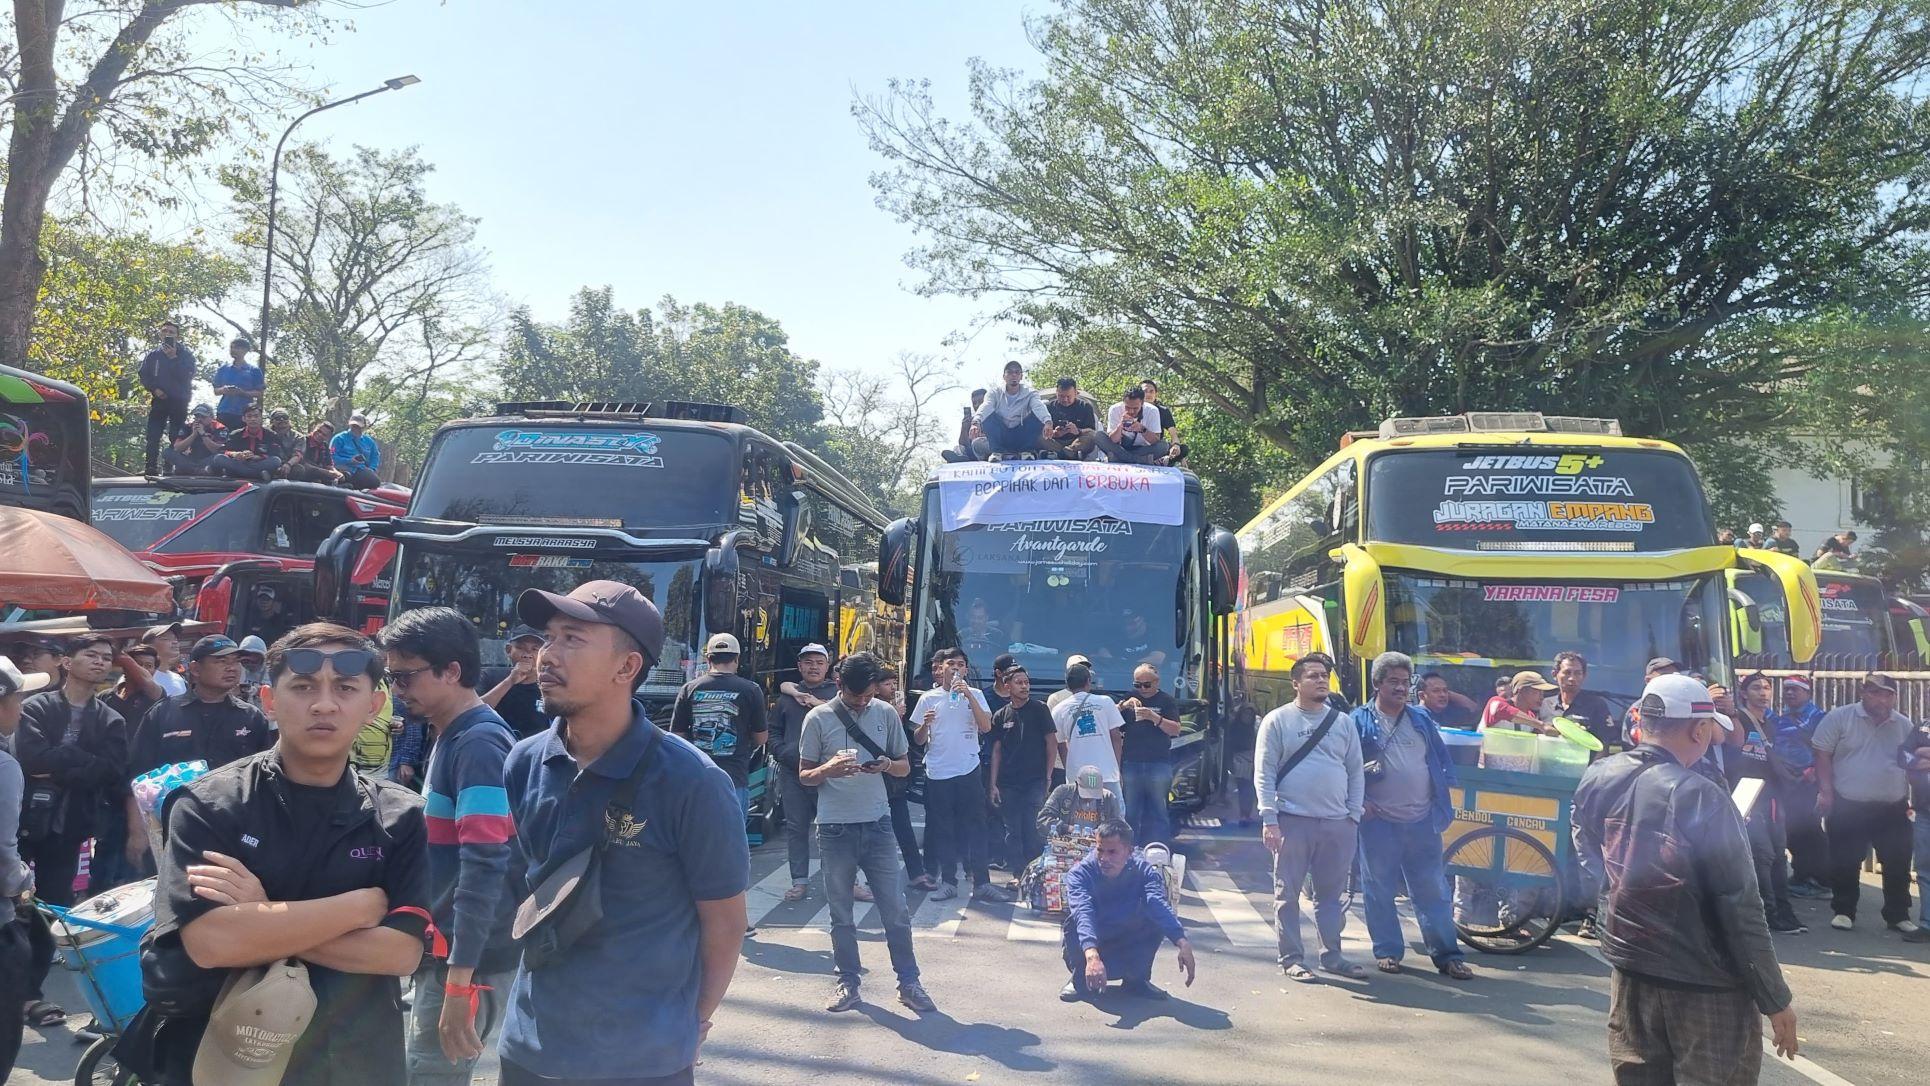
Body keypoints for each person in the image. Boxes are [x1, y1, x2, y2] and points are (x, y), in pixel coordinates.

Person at [138, 623, 431, 1086]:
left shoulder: (401, 817)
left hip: (355, 1059)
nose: (324, 704)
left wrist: (260, 907)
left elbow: (400, 954)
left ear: (374, 705)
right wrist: (356, 908)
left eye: (346, 688)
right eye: (303, 686)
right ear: (269, 700)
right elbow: (212, 943)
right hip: (229, 1055)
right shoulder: (211, 805)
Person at [502, 580, 749, 1084]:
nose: (547, 655)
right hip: (529, 1049)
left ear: (626, 667)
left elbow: (724, 924)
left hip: (643, 1061)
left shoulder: (693, 782)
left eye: (572, 638)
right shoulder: (524, 761)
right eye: (548, 637)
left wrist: (691, 1021)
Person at [1572, 673, 1798, 1084]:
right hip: (1704, 984)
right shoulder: (1703, 795)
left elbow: (1591, 858)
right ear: (1699, 729)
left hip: (1630, 970)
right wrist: (1775, 998)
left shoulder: (1598, 776)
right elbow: (1741, 906)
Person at [378, 608, 520, 1086]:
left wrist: (460, 979)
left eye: (405, 676)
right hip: (449, 951)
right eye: (391, 676)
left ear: (452, 671)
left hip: (467, 960)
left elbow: (486, 863)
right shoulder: (453, 735)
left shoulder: (478, 743)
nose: (397, 689)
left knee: (431, 1075)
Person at [798, 652, 933, 1014]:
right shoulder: (818, 718)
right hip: (834, 827)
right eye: (856, 696)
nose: (862, 702)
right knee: (841, 913)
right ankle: (848, 982)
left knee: (895, 910)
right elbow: (804, 774)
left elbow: (905, 767)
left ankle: (909, 982)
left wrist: (887, 765)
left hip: (878, 824)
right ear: (839, 685)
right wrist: (828, 769)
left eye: (868, 695)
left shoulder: (886, 713)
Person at [1352, 652, 1472, 979]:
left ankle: (1448, 956)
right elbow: (1346, 768)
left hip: (1422, 821)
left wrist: (1442, 795)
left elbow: (1441, 759)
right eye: (1393, 682)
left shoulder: (1421, 720)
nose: (1401, 688)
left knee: (1432, 890)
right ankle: (1388, 952)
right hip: (1379, 823)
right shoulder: (1357, 721)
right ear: (1377, 684)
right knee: (1379, 889)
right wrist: (1361, 801)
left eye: (1406, 682)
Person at [1256, 652, 1366, 982]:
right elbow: (1264, 773)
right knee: (1287, 895)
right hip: (1292, 820)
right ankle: (1291, 957)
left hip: (1337, 824)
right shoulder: (1277, 721)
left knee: (1330, 897)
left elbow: (1355, 771)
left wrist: (1353, 816)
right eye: (1313, 676)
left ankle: (1332, 956)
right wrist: (1269, 819)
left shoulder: (1342, 723)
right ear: (1296, 683)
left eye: (1324, 676)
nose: (1321, 681)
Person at [16, 637, 130, 914]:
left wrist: (56, 764)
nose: (100, 661)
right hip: (23, 818)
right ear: (67, 662)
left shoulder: (112, 720)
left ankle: (43, 957)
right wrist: (84, 759)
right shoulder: (36, 707)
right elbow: (31, 760)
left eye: (105, 657)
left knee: (55, 902)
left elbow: (110, 772)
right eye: (91, 655)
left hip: (73, 823)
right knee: (10, 898)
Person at [1812, 672, 1919, 935]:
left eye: (1887, 694)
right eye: (1874, 692)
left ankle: (1898, 914)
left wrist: (1913, 800)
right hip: (1849, 802)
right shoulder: (1840, 717)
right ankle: (1844, 911)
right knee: (1845, 860)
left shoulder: (1903, 725)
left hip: (1892, 805)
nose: (1881, 699)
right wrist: (1825, 791)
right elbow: (1821, 754)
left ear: (1894, 697)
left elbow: (1911, 764)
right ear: (1863, 693)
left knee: (1898, 862)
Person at [912, 647, 1011, 903]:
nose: (955, 669)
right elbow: (919, 739)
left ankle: (982, 882)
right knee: (944, 828)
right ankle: (948, 882)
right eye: (950, 664)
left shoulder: (976, 694)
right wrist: (926, 724)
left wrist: (968, 696)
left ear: (966, 669)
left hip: (968, 768)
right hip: (938, 770)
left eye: (960, 664)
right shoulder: (929, 698)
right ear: (941, 668)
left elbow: (986, 727)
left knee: (977, 826)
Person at [1059, 819, 1196, 1002]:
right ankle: (1079, 980)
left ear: (1129, 852)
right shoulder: (1080, 874)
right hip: (1093, 940)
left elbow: (1157, 904)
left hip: (1126, 935)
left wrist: (1182, 942)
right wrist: (1092, 955)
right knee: (1074, 922)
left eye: (1112, 852)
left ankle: (1136, 980)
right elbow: (1083, 912)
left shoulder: (1144, 872)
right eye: (1100, 850)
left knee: (1153, 919)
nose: (1104, 859)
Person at [1, 656, 56, 1047]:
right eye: (18, 699)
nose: (22, 708)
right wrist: (24, 881)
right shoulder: (4, 767)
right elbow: (3, 857)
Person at [128, 635, 276, 780]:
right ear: (195, 669)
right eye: (221, 661)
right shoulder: (163, 714)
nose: (232, 668)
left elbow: (265, 775)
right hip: (175, 803)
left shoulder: (252, 718)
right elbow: (137, 777)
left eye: (236, 661)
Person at [1731, 672, 1806, 934]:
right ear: (1743, 694)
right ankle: (1768, 914)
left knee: (1777, 855)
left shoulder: (1770, 724)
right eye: (1755, 688)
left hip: (1771, 796)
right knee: (1761, 855)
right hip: (1747, 795)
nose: (1763, 693)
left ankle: (1784, 912)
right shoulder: (1738, 719)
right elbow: (1734, 744)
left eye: (1766, 688)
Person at [670, 632, 769, 821]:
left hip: (696, 777)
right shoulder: (751, 690)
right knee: (732, 840)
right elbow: (761, 738)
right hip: (734, 778)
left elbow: (677, 737)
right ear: (737, 658)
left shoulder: (689, 688)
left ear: (708, 659)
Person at [771, 643, 834, 903]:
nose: (814, 667)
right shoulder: (788, 697)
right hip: (792, 773)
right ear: (799, 666)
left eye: (819, 662)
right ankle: (799, 881)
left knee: (834, 828)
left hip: (829, 773)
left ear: (827, 666)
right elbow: (772, 732)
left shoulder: (838, 695)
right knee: (797, 828)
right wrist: (783, 753)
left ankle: (846, 881)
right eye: (808, 662)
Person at [991, 664, 1056, 884]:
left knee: (1033, 828)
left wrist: (1048, 777)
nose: (1024, 686)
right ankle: (1018, 874)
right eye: (1019, 683)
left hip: (1035, 781)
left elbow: (1051, 743)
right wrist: (993, 784)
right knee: (1012, 831)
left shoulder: (1040, 709)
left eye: (1026, 682)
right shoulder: (1001, 715)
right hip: (1008, 783)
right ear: (1007, 686)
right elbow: (996, 751)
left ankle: (1035, 874)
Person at [1771, 676, 1829, 898]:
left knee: (1808, 830)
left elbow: (1828, 747)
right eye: (1786, 689)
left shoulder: (1819, 718)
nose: (1790, 693)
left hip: (1808, 782)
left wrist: (1815, 770)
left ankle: (1819, 879)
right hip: (1787, 782)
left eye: (1795, 689)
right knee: (1793, 829)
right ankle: (1804, 875)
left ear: (1808, 692)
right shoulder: (1781, 718)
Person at [875, 664, 931, 890]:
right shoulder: (869, 709)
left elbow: (903, 743)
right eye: (887, 684)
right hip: (872, 777)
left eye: (892, 684)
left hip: (894, 776)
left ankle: (916, 873)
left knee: (903, 825)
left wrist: (899, 717)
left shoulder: (893, 709)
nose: (891, 688)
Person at [1116, 664, 1181, 848]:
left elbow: (1176, 729)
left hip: (1158, 763)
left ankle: (1159, 849)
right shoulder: (1130, 698)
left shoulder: (1166, 701)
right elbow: (1109, 719)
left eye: (1146, 685)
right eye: (1138, 685)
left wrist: (1154, 717)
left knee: (1159, 810)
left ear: (1156, 682)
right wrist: (1122, 706)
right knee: (1130, 812)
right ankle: (1129, 851)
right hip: (1132, 762)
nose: (1142, 689)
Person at [1053, 662, 1125, 791]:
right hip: (1107, 773)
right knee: (1113, 810)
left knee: (1082, 811)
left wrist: (1070, 769)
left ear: (1067, 685)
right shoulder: (1106, 702)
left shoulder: (1059, 709)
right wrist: (1116, 768)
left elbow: (1060, 744)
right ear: (1088, 681)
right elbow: (1116, 737)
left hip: (1077, 776)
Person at [139, 319, 197, 476]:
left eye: (171, 332)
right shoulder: (153, 355)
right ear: (160, 334)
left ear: (177, 336)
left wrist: (173, 358)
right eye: (164, 331)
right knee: (153, 434)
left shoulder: (185, 355)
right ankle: (150, 466)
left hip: (179, 401)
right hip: (159, 400)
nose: (167, 334)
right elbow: (144, 375)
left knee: (175, 434)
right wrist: (154, 389)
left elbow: (188, 375)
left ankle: (169, 466)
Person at [478, 625, 550, 740]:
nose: (527, 654)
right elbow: (473, 714)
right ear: (508, 650)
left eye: (534, 649)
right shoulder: (489, 676)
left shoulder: (550, 685)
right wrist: (510, 681)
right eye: (521, 648)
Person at [971, 360, 1051, 462]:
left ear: (1021, 376)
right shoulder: (994, 393)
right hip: (1001, 437)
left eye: (1017, 372)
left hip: (1022, 436)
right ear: (1004, 376)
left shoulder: (1030, 393)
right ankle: (997, 452)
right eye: (1010, 372)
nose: (1013, 375)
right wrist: (975, 422)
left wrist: (1048, 422)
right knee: (979, 438)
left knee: (1041, 409)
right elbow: (986, 406)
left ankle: (1026, 452)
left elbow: (1038, 406)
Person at [1542, 652, 1615, 750]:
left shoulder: (1597, 706)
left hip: (1584, 764)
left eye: (1578, 673)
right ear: (1555, 674)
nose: (1572, 678)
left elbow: (1604, 746)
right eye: (1567, 672)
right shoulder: (1544, 704)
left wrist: (1595, 765)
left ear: (1584, 676)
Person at [1038, 765, 1126, 840]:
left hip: (1098, 846)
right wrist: (1067, 828)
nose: (1089, 797)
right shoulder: (1063, 792)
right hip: (1066, 844)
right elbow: (1042, 820)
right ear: (1077, 784)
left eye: (1094, 793)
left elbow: (1120, 827)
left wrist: (1102, 832)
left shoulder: (1108, 797)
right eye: (1086, 793)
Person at [1903, 715, 1930, 943]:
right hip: (1925, 810)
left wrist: (1923, 752)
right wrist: (1918, 756)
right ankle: (1927, 924)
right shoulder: (1922, 726)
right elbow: (1902, 756)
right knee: (1924, 871)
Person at [208, 404, 285, 481]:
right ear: (243, 419)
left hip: (259, 464)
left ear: (261, 418)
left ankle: (240, 474)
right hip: (240, 463)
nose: (253, 419)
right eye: (249, 416)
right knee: (219, 458)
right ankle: (257, 475)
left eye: (256, 416)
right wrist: (235, 454)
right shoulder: (235, 434)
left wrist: (256, 457)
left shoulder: (270, 435)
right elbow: (223, 450)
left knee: (276, 460)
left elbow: (275, 454)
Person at [1096, 385, 1170, 465]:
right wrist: (1120, 426)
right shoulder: (1115, 409)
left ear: (1142, 403)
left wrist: (1142, 429)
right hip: (1120, 447)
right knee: (1099, 436)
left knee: (1163, 446)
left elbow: (1155, 440)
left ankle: (1119, 459)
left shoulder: (1152, 411)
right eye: (1127, 407)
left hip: (1141, 448)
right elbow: (1113, 440)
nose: (1131, 411)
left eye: (1135, 408)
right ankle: (1141, 460)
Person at [1620, 657, 1680, 746]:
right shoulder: (1636, 710)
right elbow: (1633, 745)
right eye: (1665, 676)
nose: (1670, 680)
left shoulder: (1685, 704)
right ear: (1648, 680)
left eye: (1674, 676)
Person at [1481, 670, 1560, 734]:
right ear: (1521, 691)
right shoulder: (1496, 703)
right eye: (1537, 692)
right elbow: (1506, 711)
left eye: (1542, 693)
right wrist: (1542, 725)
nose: (1541, 697)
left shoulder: (1532, 717)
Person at [212, 336, 265, 431]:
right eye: (231, 347)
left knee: (240, 441)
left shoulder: (254, 370)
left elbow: (259, 393)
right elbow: (216, 391)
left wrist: (242, 392)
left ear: (245, 350)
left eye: (236, 347)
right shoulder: (223, 369)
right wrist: (224, 390)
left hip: (244, 413)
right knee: (221, 440)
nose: (233, 350)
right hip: (224, 411)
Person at [162, 403, 227, 475]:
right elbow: (177, 448)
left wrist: (203, 434)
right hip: (191, 459)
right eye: (197, 416)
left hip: (209, 459)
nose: (199, 419)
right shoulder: (188, 426)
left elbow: (217, 450)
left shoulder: (220, 427)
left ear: (211, 417)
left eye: (203, 417)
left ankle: (191, 470)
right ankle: (197, 470)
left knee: (221, 456)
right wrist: (193, 435)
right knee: (167, 452)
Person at [1043, 377, 1099, 460]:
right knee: (1038, 436)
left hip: (1076, 441)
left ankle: (1068, 452)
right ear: (1056, 393)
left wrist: (1078, 431)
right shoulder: (1048, 407)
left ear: (1076, 393)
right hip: (1055, 442)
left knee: (1092, 436)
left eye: (1068, 396)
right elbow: (1040, 429)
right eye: (1061, 396)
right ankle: (1064, 453)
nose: (1065, 400)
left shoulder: (1085, 407)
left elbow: (1091, 431)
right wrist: (1054, 433)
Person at [1138, 379, 1186, 465]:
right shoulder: (1132, 407)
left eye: (1151, 391)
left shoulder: (1163, 411)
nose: (1148, 394)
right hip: (1136, 446)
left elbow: (1173, 434)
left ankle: (1157, 461)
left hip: (1155, 448)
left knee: (1182, 449)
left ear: (1156, 394)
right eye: (1145, 391)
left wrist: (1176, 446)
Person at [284, 417, 344, 484]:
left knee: (345, 476)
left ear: (327, 437)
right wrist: (327, 473)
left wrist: (337, 473)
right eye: (319, 431)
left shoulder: (324, 446)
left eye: (324, 435)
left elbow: (328, 464)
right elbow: (303, 462)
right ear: (314, 429)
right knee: (314, 477)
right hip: (304, 472)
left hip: (319, 472)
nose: (320, 435)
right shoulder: (303, 440)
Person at [331, 411, 383, 488]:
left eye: (358, 426)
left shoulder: (369, 441)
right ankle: (344, 482)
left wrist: (372, 469)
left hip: (360, 470)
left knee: (375, 482)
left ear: (364, 427)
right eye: (353, 426)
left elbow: (375, 456)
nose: (355, 428)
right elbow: (332, 457)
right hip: (342, 468)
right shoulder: (339, 438)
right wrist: (349, 460)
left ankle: (350, 485)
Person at [940, 388, 988, 464]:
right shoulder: (972, 421)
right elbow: (963, 443)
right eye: (974, 403)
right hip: (973, 451)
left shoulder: (995, 416)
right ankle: (962, 459)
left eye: (980, 402)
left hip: (989, 449)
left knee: (978, 443)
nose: (977, 405)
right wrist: (964, 428)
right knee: (958, 448)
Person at [144, 622, 190, 698]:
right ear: (149, 646)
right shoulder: (142, 677)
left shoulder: (178, 678)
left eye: (175, 638)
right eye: (166, 639)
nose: (175, 642)